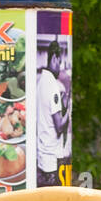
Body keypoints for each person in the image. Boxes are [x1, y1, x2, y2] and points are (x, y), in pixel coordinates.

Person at [37, 40, 70, 186]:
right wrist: (68, 109)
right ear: (55, 58)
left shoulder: (42, 82)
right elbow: (59, 126)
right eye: (60, 62)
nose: (60, 68)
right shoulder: (52, 86)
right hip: (51, 160)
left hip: (43, 155)